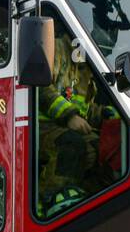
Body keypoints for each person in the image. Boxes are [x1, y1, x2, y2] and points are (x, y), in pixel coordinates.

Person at [36, 24, 117, 216]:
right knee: (71, 145)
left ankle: (91, 204)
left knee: (103, 149)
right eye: (98, 51)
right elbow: (39, 87)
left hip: (66, 126)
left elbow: (84, 108)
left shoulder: (85, 69)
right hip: (39, 126)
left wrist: (105, 114)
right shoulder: (55, 49)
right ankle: (49, 200)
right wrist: (69, 116)